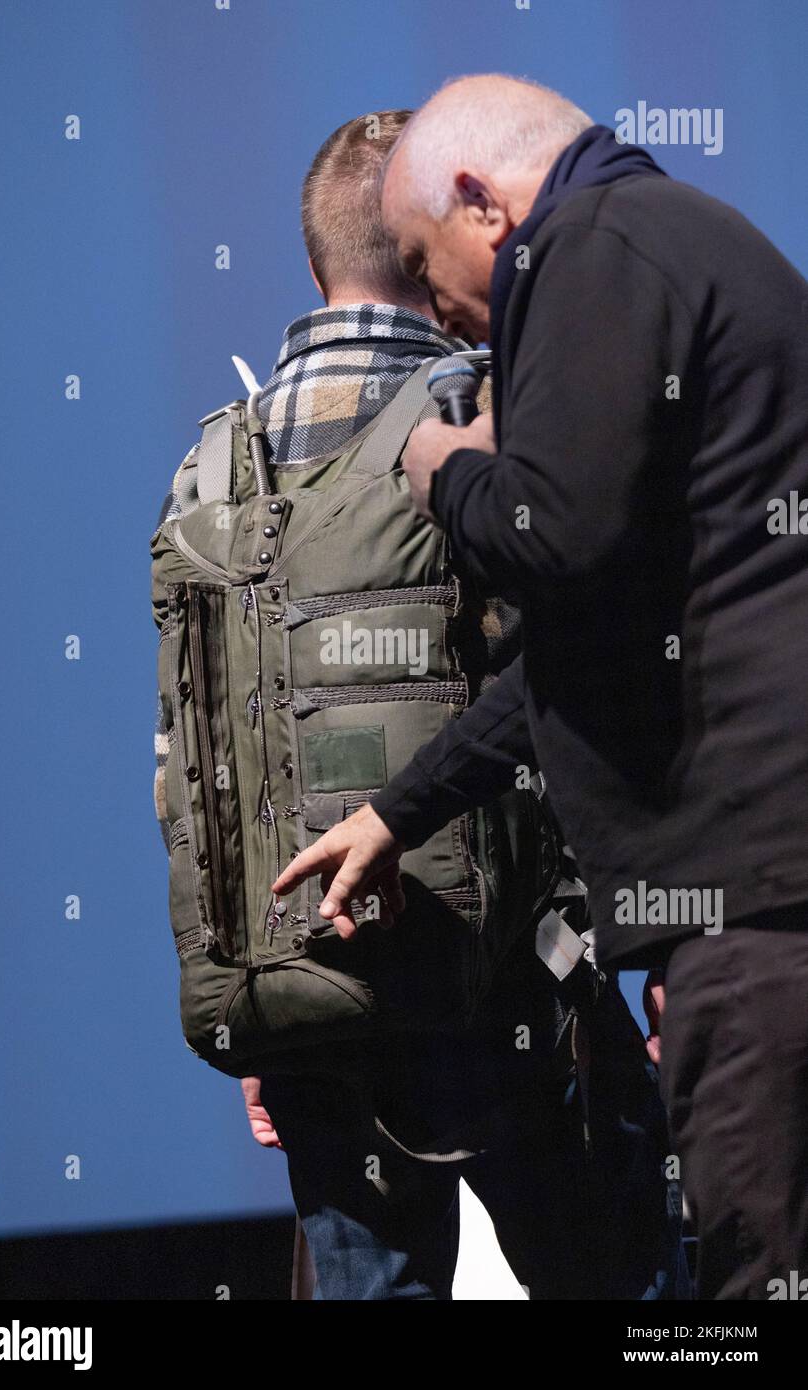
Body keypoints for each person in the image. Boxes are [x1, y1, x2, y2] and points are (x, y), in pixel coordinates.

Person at [274, 74, 808, 1301]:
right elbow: (584, 630)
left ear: (483, 204)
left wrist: (445, 466)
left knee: (752, 1281)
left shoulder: (593, 247)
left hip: (759, 907)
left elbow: (550, 539)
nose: (454, 320)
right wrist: (399, 810)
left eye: (429, 266)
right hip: (753, 899)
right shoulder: (676, 243)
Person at [154, 108, 685, 1301]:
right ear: (433, 247)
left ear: (313, 268)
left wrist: (272, 991)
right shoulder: (493, 419)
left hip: (315, 980)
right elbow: (599, 685)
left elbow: (202, 757)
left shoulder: (215, 469)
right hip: (530, 988)